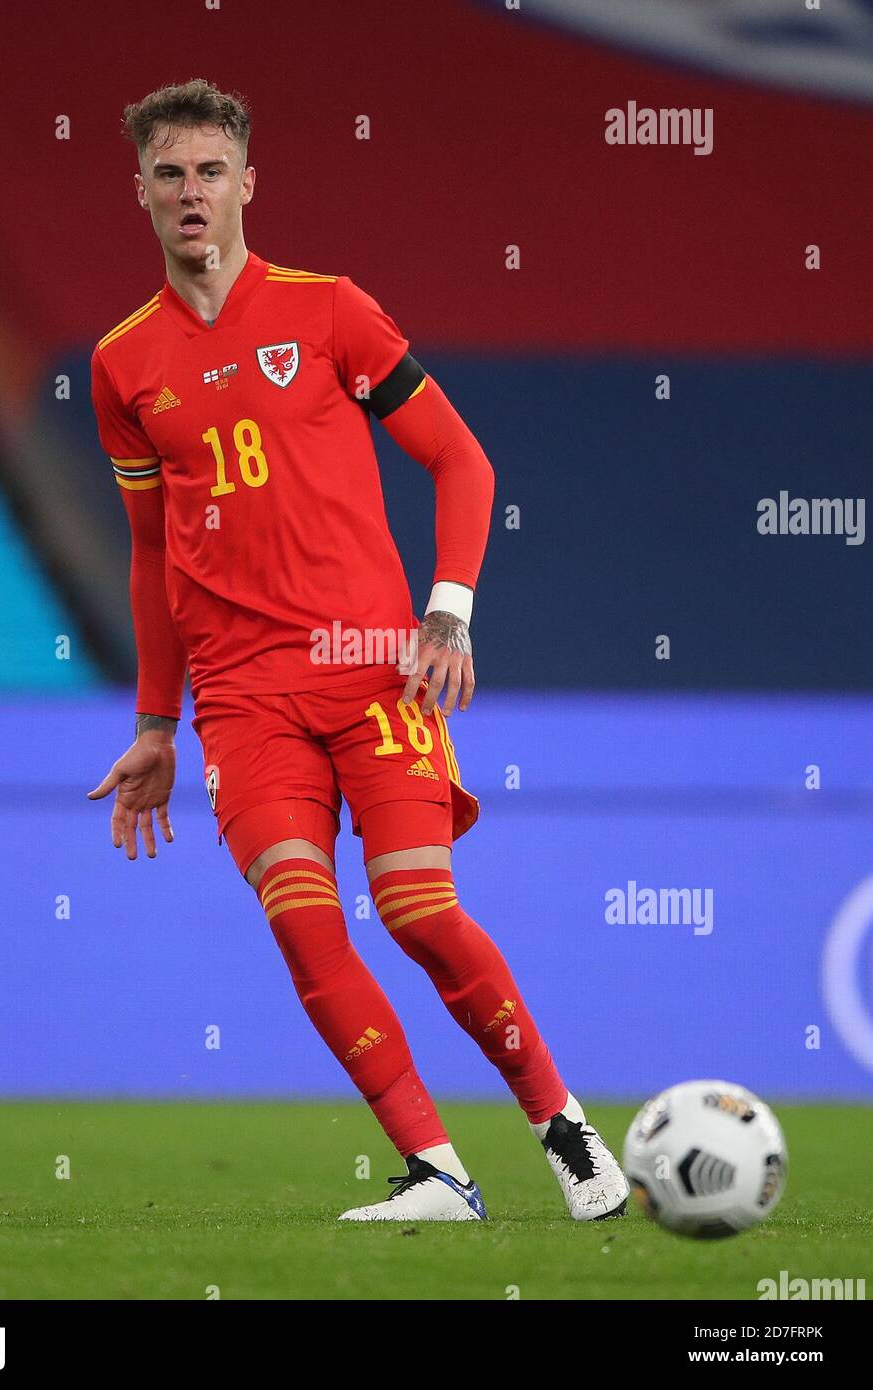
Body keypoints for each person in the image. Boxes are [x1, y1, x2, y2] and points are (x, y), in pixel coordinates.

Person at [88, 79, 628, 1222]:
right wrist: (150, 723)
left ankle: (562, 1129)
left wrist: (448, 609)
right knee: (301, 914)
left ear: (248, 183)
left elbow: (463, 462)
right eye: (170, 175)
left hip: (372, 661)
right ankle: (437, 1172)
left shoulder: (328, 311)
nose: (193, 193)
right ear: (138, 193)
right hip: (241, 696)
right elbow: (150, 555)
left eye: (211, 171)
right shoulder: (122, 364)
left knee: (419, 909)